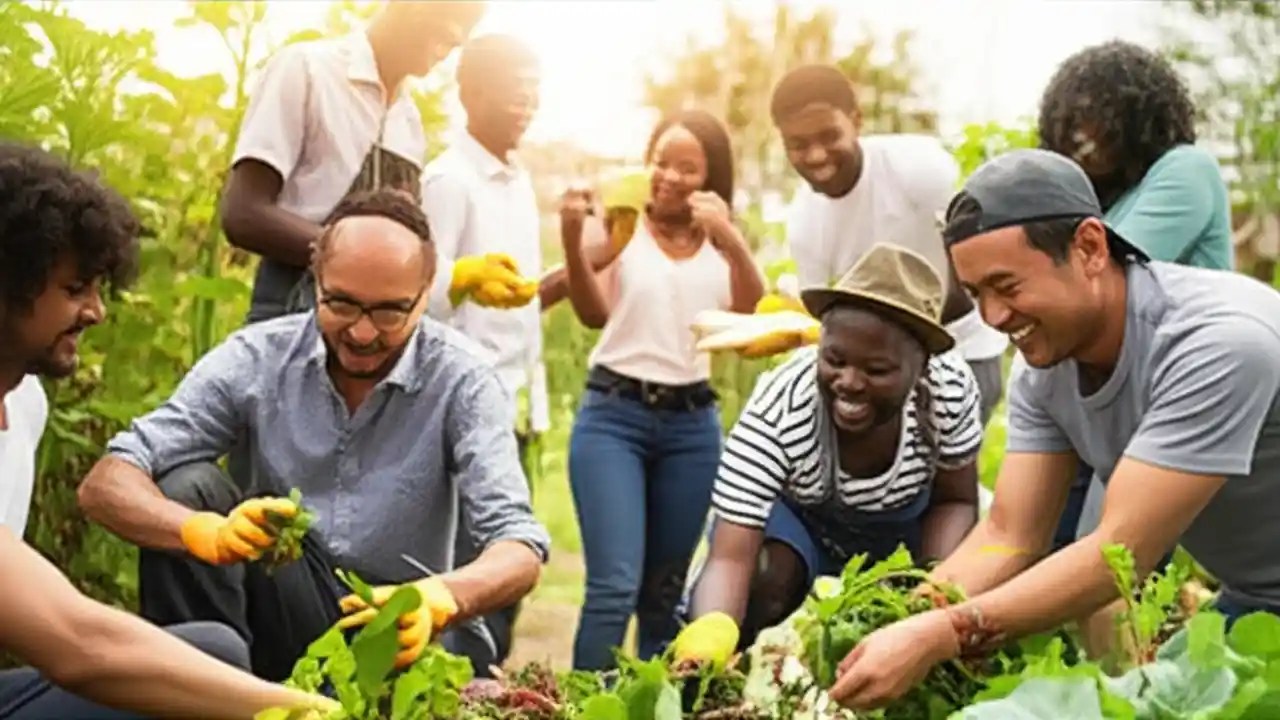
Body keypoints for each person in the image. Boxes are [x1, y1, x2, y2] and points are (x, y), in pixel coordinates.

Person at [827, 149, 1280, 711]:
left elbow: (1120, 552)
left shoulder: (1216, 342)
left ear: (1089, 248)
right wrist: (904, 616)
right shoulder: (1046, 369)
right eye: (975, 295)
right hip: (1257, 600)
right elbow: (1009, 535)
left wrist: (943, 633)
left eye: (1006, 286)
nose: (992, 317)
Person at [77, 189, 551, 683]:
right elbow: (106, 483)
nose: (363, 333)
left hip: (391, 638)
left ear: (428, 290)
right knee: (186, 488)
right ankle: (204, 696)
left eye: (390, 312)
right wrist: (202, 533)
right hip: (282, 611)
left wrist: (441, 597)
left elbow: (518, 546)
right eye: (342, 304)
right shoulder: (258, 358)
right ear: (315, 279)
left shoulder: (463, 380)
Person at [0, 141, 336, 719]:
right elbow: (80, 646)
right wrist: (311, 713)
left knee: (215, 651)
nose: (97, 312)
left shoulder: (24, 404)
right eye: (74, 289)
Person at [672, 243, 984, 661]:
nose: (849, 382)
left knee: (897, 623)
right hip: (802, 527)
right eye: (835, 360)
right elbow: (730, 558)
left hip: (905, 531)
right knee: (770, 577)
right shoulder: (781, 410)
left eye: (877, 370)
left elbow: (956, 500)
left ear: (922, 367)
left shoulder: (949, 390)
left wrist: (929, 600)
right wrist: (708, 643)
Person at [558, 109, 766, 670]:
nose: (669, 177)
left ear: (711, 180)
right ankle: (584, 709)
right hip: (613, 416)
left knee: (666, 595)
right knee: (614, 587)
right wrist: (573, 237)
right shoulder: (622, 226)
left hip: (691, 425)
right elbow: (592, 311)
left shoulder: (721, 243)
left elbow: (752, 311)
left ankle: (653, 704)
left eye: (688, 168)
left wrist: (730, 237)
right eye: (660, 161)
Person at [710, 64, 1008, 426]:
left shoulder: (920, 169)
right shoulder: (806, 220)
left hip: (963, 349)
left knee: (945, 473)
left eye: (829, 136)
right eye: (798, 145)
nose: (816, 156)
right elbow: (824, 323)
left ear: (857, 120)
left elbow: (972, 266)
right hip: (882, 368)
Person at [1034, 39, 1234, 551]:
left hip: (1170, 404)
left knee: (1102, 568)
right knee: (1044, 555)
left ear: (1141, 116)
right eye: (1070, 119)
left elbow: (1099, 273)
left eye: (1100, 115)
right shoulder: (1110, 199)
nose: (1082, 134)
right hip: (1103, 404)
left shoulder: (1186, 171)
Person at [219, 0, 530, 326]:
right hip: (290, 316)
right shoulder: (308, 71)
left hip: (369, 334)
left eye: (459, 38)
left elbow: (401, 243)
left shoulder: (407, 123)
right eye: (447, 29)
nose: (451, 46)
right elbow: (244, 215)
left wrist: (457, 275)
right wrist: (360, 258)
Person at [418, 33, 543, 674]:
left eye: (534, 91)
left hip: (512, 404)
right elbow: (417, 297)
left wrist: (536, 410)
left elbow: (522, 314)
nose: (526, 103)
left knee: (510, 573)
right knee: (471, 580)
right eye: (513, 90)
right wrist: (457, 277)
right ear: (471, 94)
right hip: (465, 408)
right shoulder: (449, 179)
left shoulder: (518, 181)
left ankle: (485, 696)